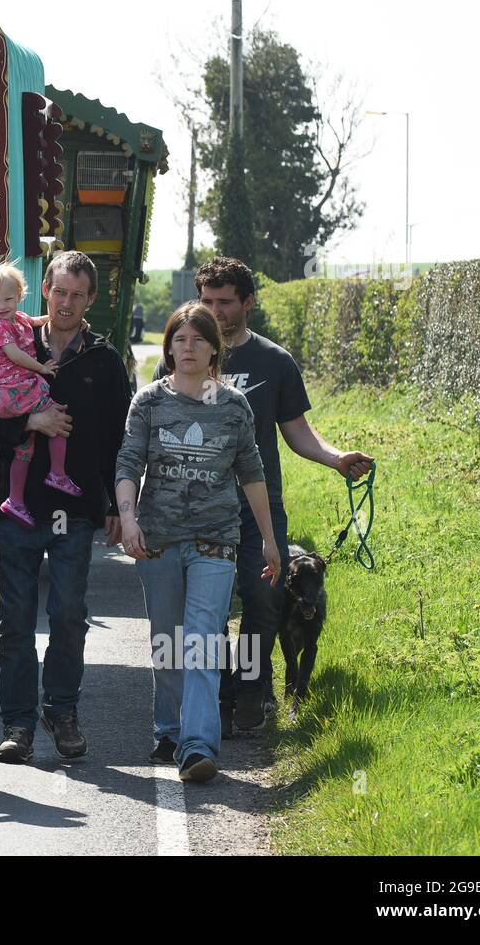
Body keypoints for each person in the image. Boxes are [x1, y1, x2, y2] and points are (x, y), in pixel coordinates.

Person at [154, 257, 374, 732]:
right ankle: (221, 693)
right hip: (195, 509)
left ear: (247, 303)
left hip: (258, 506)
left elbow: (297, 433)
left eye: (224, 302)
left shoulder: (274, 362)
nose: (214, 310)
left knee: (262, 599)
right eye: (206, 301)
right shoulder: (181, 354)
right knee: (207, 606)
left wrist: (336, 459)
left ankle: (253, 690)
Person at [0, 251, 130, 764]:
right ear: (44, 290)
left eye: (78, 295)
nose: (66, 302)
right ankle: (17, 723)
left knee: (67, 614)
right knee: (15, 619)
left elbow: (119, 441)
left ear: (90, 299)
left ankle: (61, 710)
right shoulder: (8, 336)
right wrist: (28, 425)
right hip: (19, 508)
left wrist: (115, 505)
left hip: (76, 508)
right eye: (59, 291)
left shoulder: (105, 361)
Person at [118, 301, 280, 782]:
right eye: (179, 340)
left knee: (204, 643)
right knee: (167, 640)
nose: (187, 348)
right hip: (159, 542)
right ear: (168, 348)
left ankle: (197, 746)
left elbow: (253, 473)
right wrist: (128, 520)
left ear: (215, 350)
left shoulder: (233, 406)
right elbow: (128, 464)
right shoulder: (148, 401)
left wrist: (270, 540)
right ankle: (169, 729)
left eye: (198, 340)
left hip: (215, 542)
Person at [0, 263, 82, 530]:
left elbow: (35, 321)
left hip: (11, 393)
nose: (2, 306)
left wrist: (54, 319)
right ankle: (58, 473)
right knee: (56, 415)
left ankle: (15, 500)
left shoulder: (18, 319)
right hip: (12, 391)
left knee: (24, 449)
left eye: (8, 299)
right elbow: (15, 355)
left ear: (20, 295)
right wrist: (42, 368)